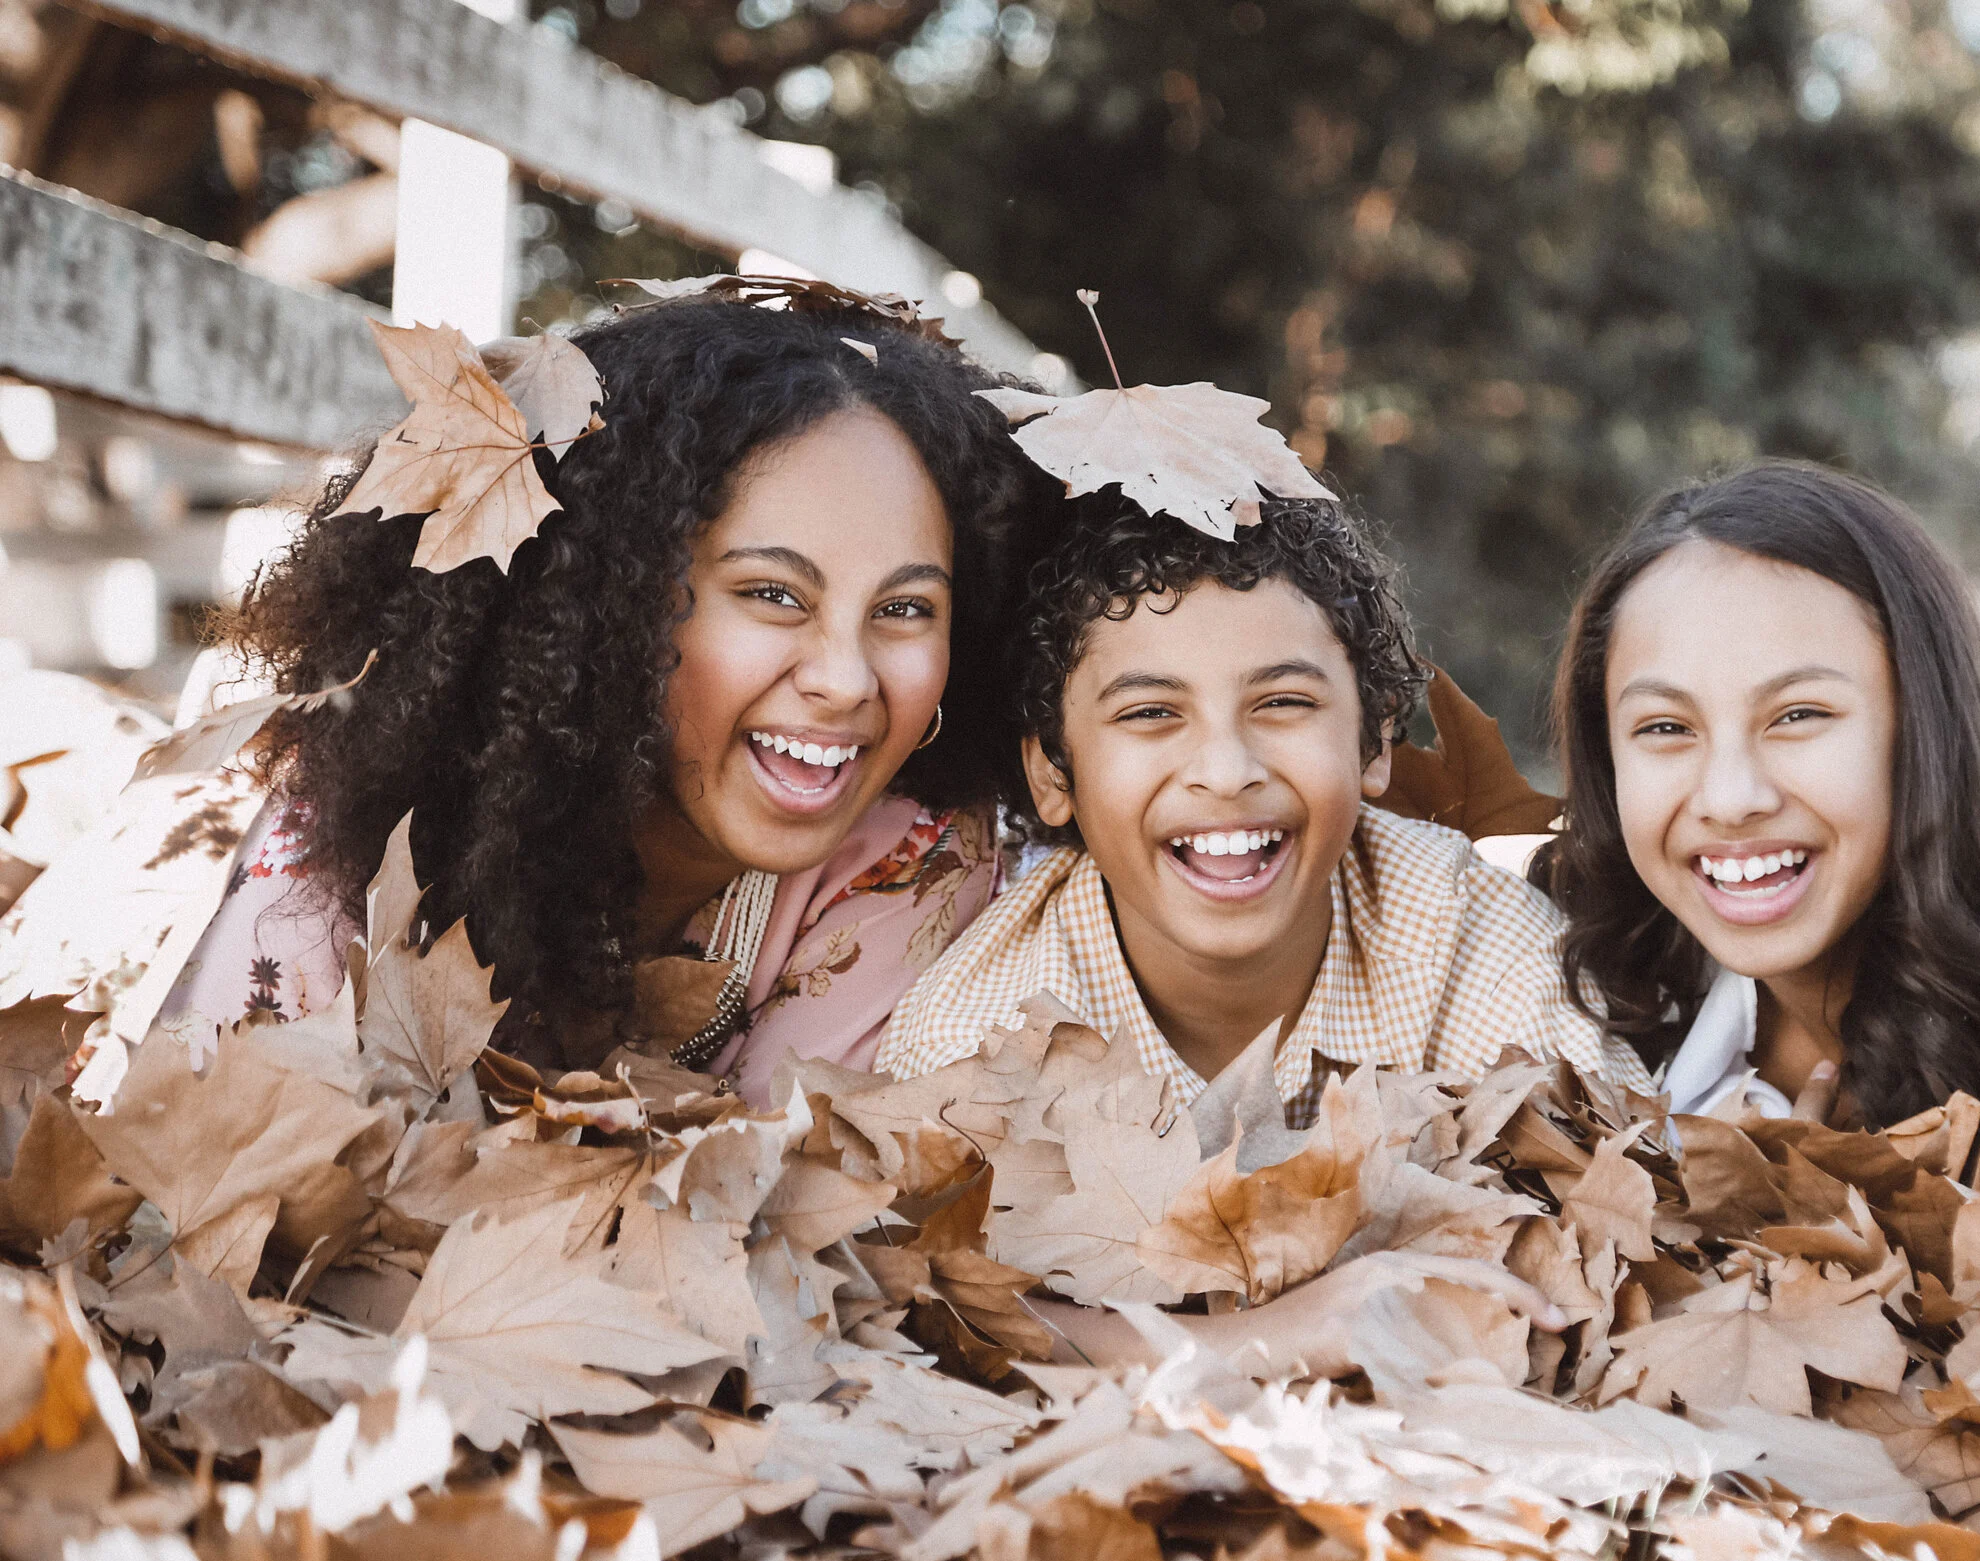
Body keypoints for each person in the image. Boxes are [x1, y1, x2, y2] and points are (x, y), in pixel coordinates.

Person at [147, 291, 1048, 1102]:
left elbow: (789, 1202)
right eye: (773, 593)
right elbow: (224, 1172)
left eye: (904, 608)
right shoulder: (375, 811)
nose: (847, 679)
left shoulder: (914, 847)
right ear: (615, 604)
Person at [877, 492, 1647, 1111]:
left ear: (1376, 741)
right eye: (1150, 713)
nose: (1225, 770)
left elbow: (1616, 1212)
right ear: (1052, 773)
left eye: (1282, 702)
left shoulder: (1477, 947)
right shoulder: (976, 1043)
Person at [1544, 459, 1980, 1130]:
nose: (1729, 799)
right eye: (1666, 726)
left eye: (1799, 715)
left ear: (1922, 723)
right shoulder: (1613, 958)